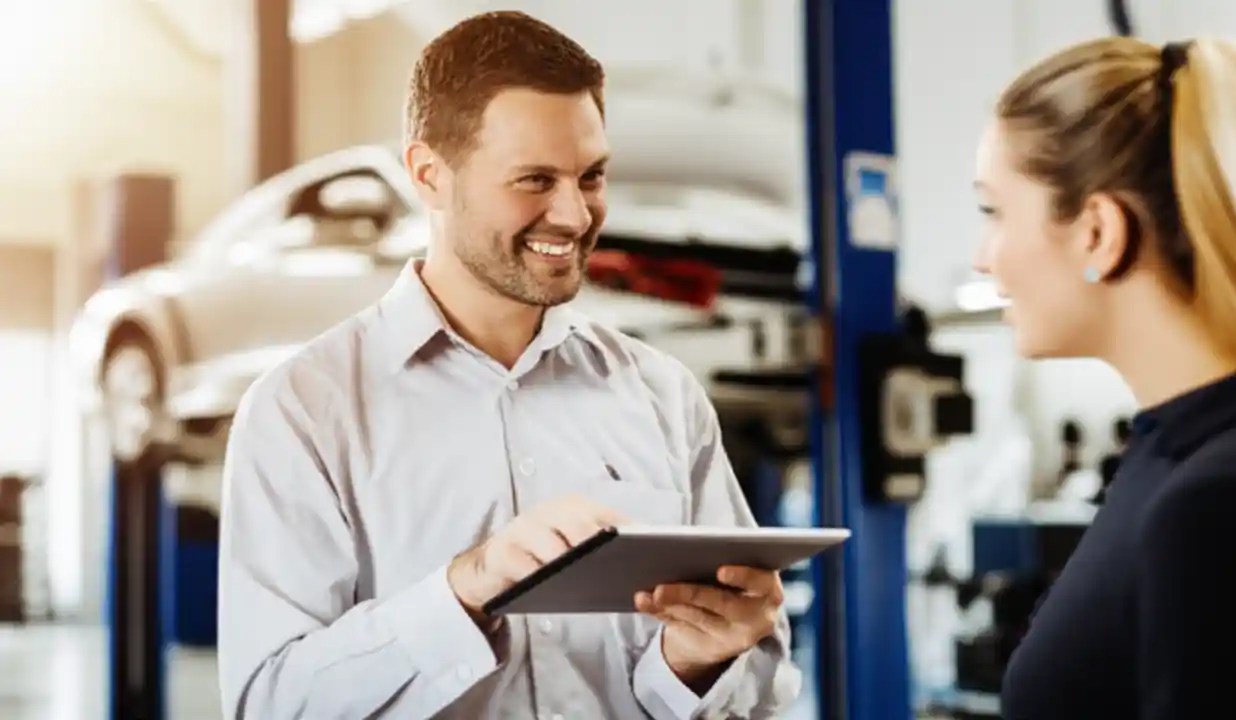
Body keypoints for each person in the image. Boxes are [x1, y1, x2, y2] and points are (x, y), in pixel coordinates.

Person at [216, 10, 801, 720]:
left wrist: (698, 662)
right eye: (534, 180)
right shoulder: (305, 410)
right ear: (430, 175)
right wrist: (465, 589)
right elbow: (272, 702)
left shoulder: (662, 397)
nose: (575, 215)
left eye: (591, 177)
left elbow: (762, 687)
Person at [972, 34, 1236, 719]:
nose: (982, 258)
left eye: (994, 213)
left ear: (1098, 232)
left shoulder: (1224, 500)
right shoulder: (1171, 454)